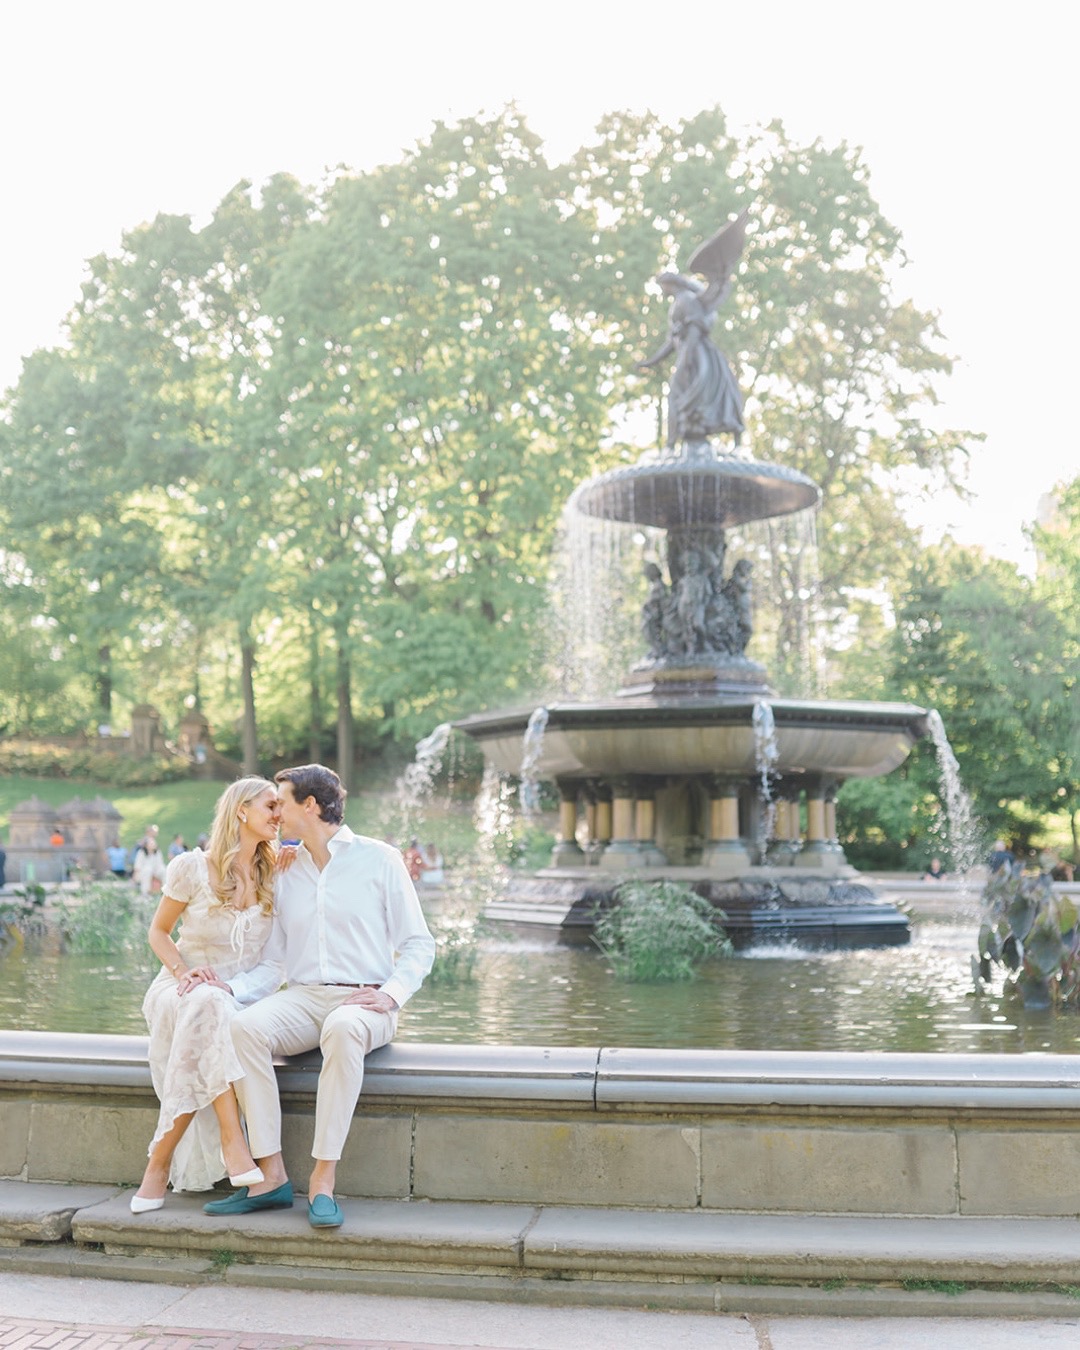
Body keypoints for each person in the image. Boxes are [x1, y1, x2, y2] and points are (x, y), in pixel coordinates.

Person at [204, 763, 435, 1230]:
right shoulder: (285, 869)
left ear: (309, 805)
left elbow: (418, 944)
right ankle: (271, 1178)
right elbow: (275, 961)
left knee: (344, 1028)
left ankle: (323, 1182)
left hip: (365, 1000)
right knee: (243, 1026)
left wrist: (390, 995)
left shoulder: (380, 859)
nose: (275, 813)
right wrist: (229, 988)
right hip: (305, 997)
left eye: (281, 803)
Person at [130, 777, 282, 1213]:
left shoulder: (275, 872)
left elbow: (276, 964)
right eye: (270, 805)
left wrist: (228, 987)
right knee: (206, 1001)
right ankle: (234, 1141)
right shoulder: (191, 867)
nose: (279, 814)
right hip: (181, 987)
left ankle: (158, 1162)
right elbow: (158, 932)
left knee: (215, 1003)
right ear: (241, 811)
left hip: (238, 994)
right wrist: (182, 971)